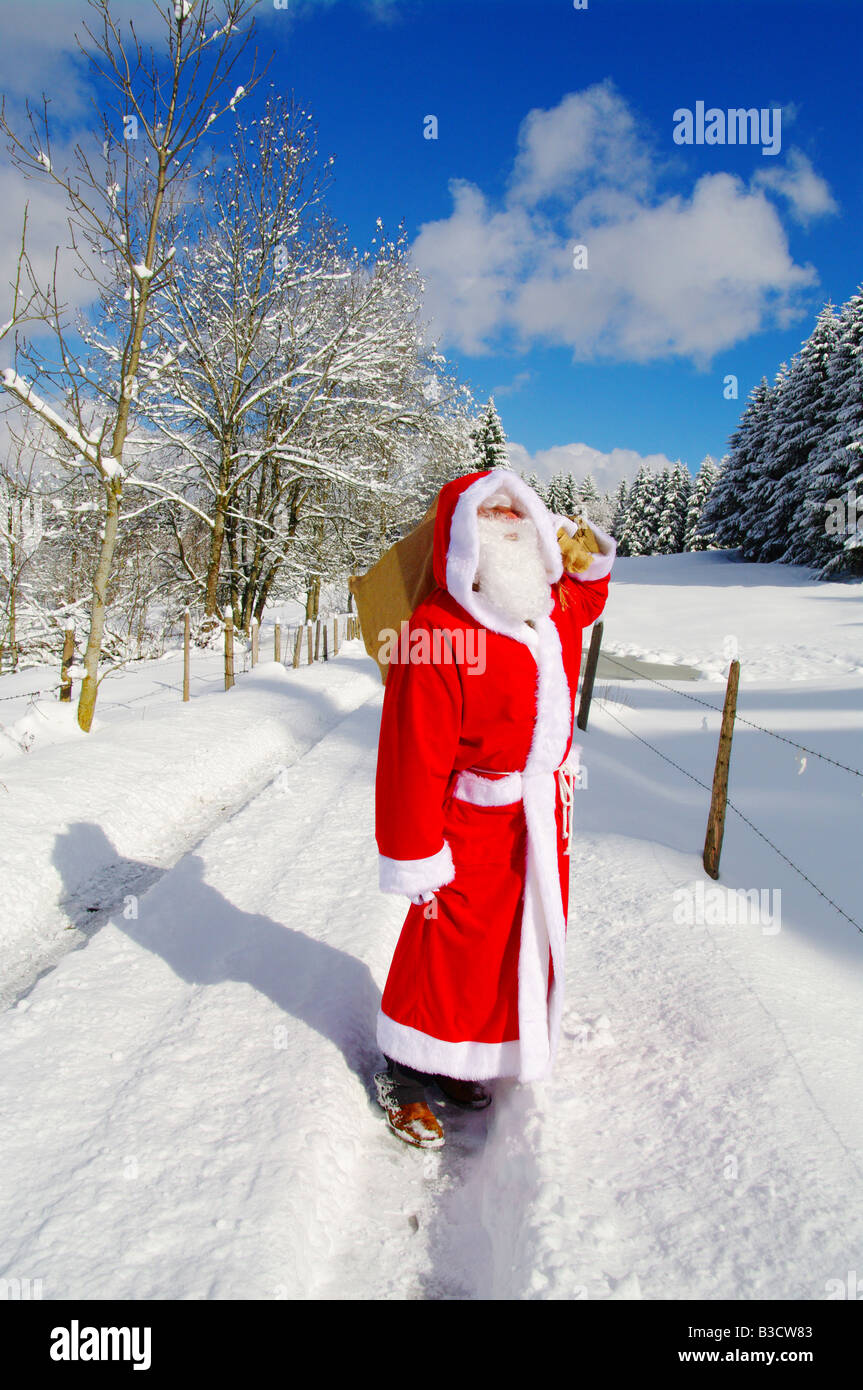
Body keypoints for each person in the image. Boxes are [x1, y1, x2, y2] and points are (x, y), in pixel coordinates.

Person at [372, 466, 616, 1148]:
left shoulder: (551, 607)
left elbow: (588, 596)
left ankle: (460, 1059)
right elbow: (410, 753)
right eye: (491, 518)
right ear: (461, 534)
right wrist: (416, 853)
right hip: (467, 819)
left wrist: (587, 547)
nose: (506, 528)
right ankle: (403, 1071)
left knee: (505, 946)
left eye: (518, 517)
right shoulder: (437, 626)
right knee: (442, 940)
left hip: (537, 821)